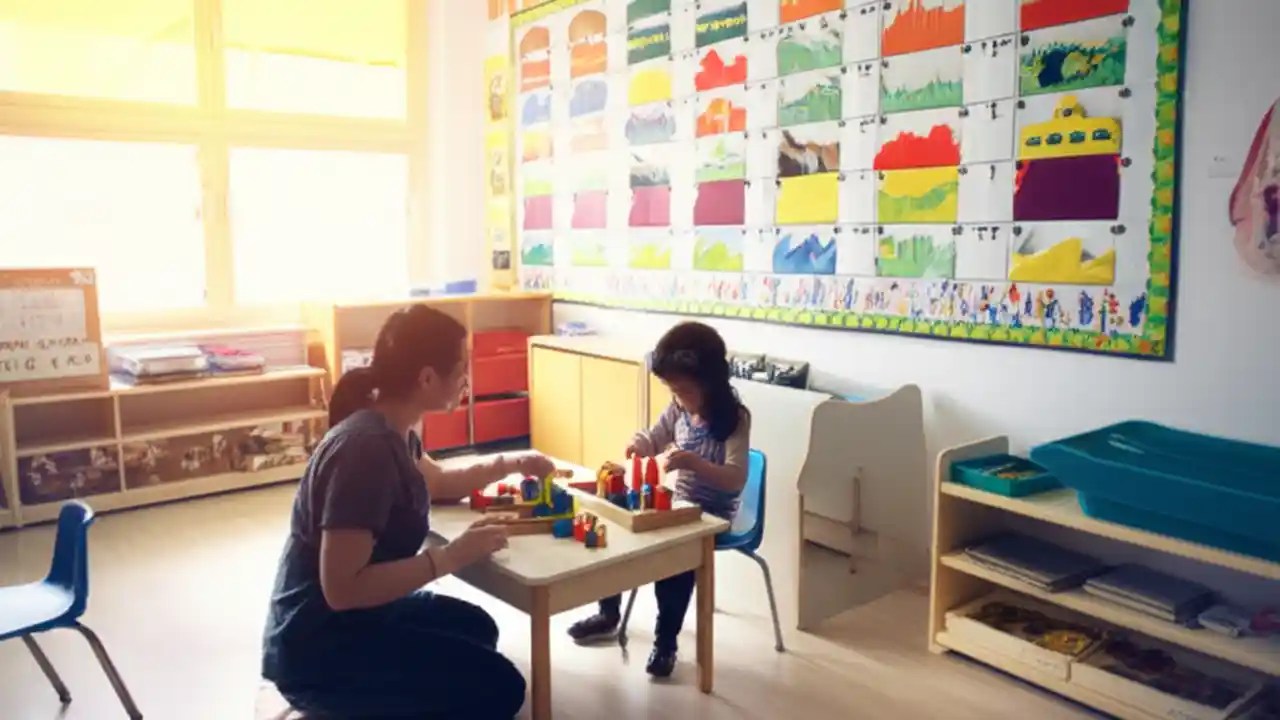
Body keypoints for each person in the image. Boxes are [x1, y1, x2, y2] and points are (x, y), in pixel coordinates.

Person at [261, 304, 555, 719]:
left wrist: (513, 462)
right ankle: (331, 706)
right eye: (460, 368)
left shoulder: (394, 428)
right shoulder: (366, 450)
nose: (466, 379)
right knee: (501, 689)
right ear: (427, 378)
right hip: (320, 647)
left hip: (364, 615)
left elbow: (439, 483)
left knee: (477, 628)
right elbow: (342, 590)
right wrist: (449, 557)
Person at [566, 321, 750, 678]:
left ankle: (666, 641)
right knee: (615, 524)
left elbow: (736, 478)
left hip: (712, 513)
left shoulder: (735, 419)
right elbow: (653, 437)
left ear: (710, 382)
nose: (677, 397)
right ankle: (608, 613)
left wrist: (696, 463)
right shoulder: (678, 409)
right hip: (676, 503)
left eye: (684, 389)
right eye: (672, 389)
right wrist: (640, 445)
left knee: (674, 559)